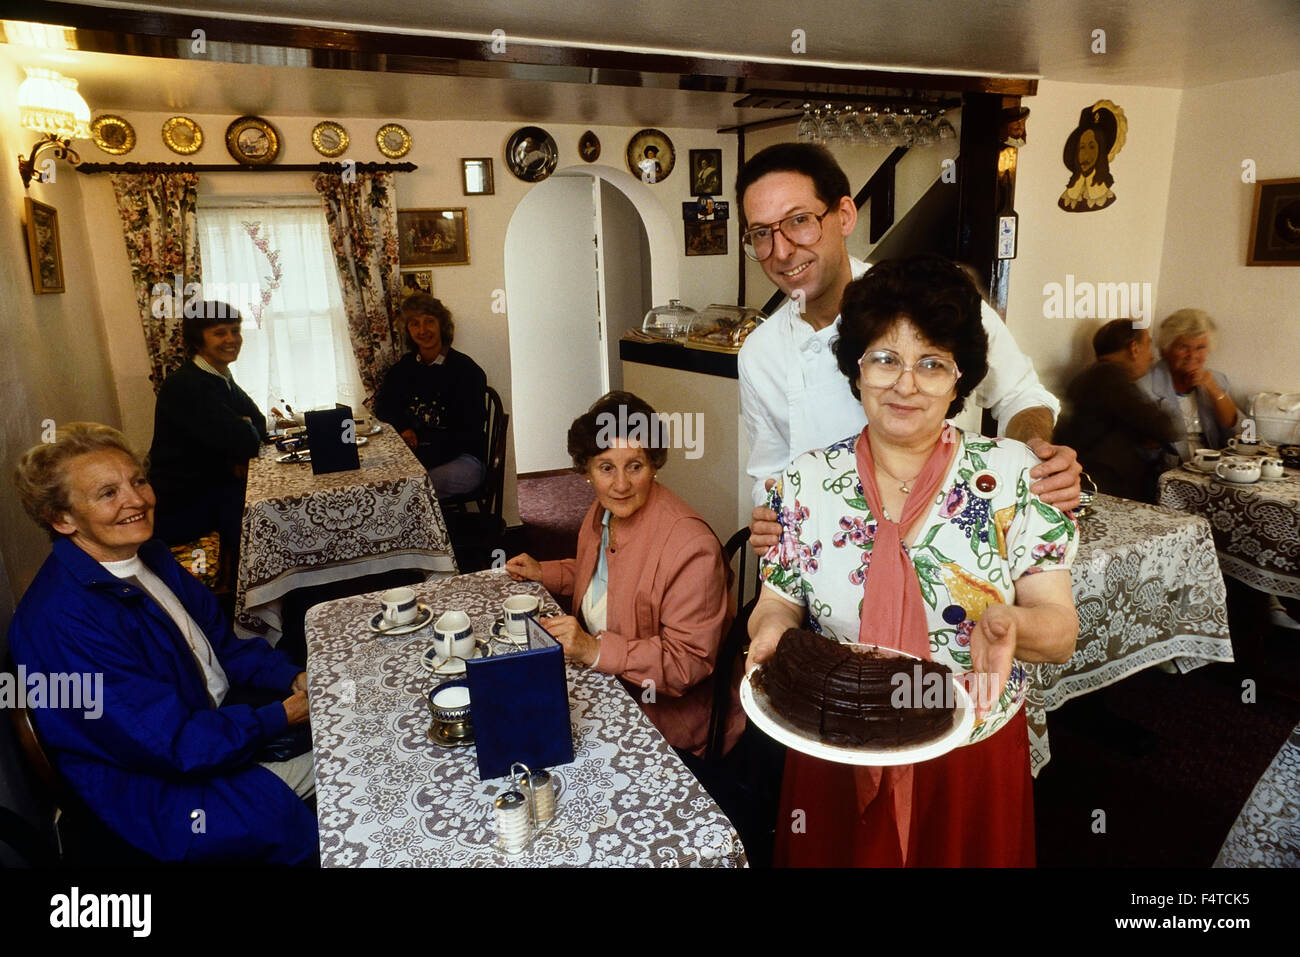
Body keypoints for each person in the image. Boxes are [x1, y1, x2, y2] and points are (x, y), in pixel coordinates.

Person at [747, 255, 1079, 867]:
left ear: (960, 380)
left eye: (932, 363)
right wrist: (768, 637)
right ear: (856, 371)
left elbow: (1059, 630)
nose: (906, 384)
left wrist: (1010, 626)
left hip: (966, 748)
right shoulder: (803, 481)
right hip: (833, 736)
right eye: (885, 359)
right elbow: (777, 601)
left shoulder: (1015, 477)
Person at [736, 142, 1081, 553]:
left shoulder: (933, 300)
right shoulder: (759, 354)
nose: (782, 250)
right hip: (829, 551)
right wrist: (770, 517)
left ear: (845, 214)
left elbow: (1021, 396)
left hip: (945, 544)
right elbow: (770, 473)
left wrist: (1038, 453)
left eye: (799, 220)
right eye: (761, 234)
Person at [8, 423, 318, 864]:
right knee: (361, 766)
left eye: (137, 481)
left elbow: (223, 648)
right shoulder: (64, 621)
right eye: (107, 493)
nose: (136, 500)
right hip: (163, 794)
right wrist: (280, 716)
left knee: (362, 711)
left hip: (220, 726)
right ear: (62, 519)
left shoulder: (147, 556)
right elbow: (173, 745)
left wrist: (293, 677)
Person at [505, 391, 742, 762]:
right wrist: (544, 571)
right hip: (609, 682)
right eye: (606, 467)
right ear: (586, 471)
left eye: (635, 465)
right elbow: (601, 577)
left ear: (655, 465)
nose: (620, 484)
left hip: (666, 720)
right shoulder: (602, 513)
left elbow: (687, 664)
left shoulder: (692, 548)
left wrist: (593, 649)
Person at [148, 302, 267, 568]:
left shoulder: (218, 375)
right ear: (198, 339)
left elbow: (258, 423)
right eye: (220, 332)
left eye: (235, 331)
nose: (231, 340)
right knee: (265, 522)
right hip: (184, 504)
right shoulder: (186, 385)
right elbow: (244, 440)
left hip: (214, 489)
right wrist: (241, 431)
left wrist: (243, 428)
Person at [374, 293, 488, 497]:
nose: (423, 330)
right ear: (408, 330)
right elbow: (383, 406)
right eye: (414, 324)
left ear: (442, 326)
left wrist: (420, 460)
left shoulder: (466, 371)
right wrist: (405, 428)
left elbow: (468, 430)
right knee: (378, 481)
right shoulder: (403, 369)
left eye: (429, 322)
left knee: (411, 487)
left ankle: (424, 529)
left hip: (462, 459)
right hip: (418, 458)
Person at [1054, 319, 1176, 502]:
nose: (1151, 357)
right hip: (1106, 484)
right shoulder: (1108, 377)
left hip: (1096, 476)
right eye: (1148, 346)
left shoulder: (1096, 374)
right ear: (1134, 348)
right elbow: (1164, 427)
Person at [1137, 308, 1239, 462]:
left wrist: (1213, 390)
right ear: (1166, 349)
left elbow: (1234, 430)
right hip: (1165, 470)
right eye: (1183, 347)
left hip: (1212, 468)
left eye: (1200, 348)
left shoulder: (1216, 379)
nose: (1192, 356)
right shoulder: (1144, 386)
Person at [1058, 104, 1118, 212]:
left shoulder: (1104, 196)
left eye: (1092, 147)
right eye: (1082, 147)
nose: (1085, 155)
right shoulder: (1068, 198)